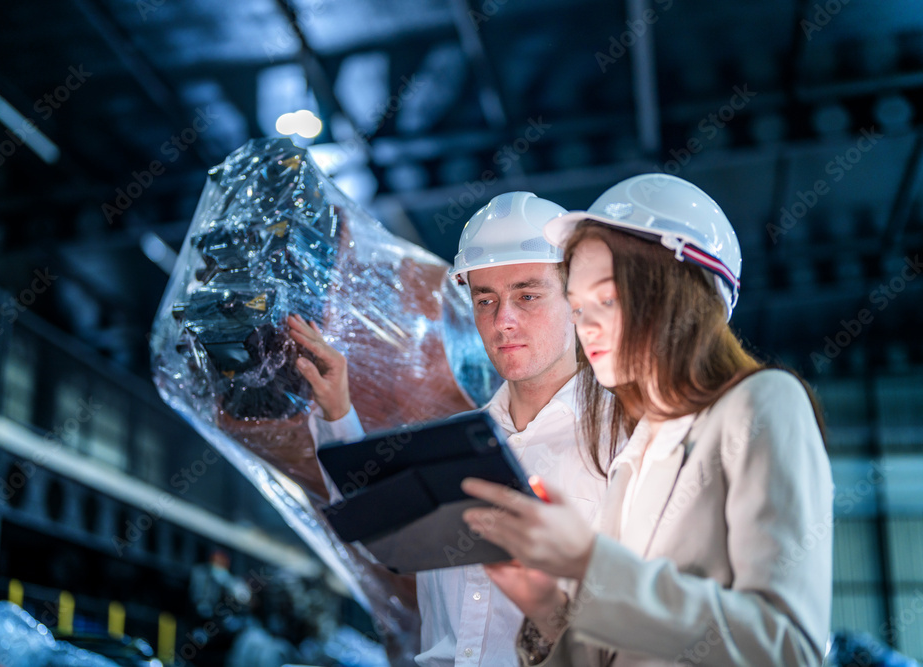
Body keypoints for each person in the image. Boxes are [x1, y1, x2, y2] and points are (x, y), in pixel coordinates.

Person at [460, 174, 833, 666]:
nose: (585, 325)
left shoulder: (762, 402)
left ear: (674, 292)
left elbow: (787, 647)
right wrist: (547, 605)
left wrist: (589, 562)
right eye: (577, 305)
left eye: (607, 300)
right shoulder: (637, 452)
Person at [287, 191, 611, 667]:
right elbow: (381, 531)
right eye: (486, 299)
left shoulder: (623, 445)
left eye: (527, 295)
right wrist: (337, 412)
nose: (503, 321)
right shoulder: (448, 446)